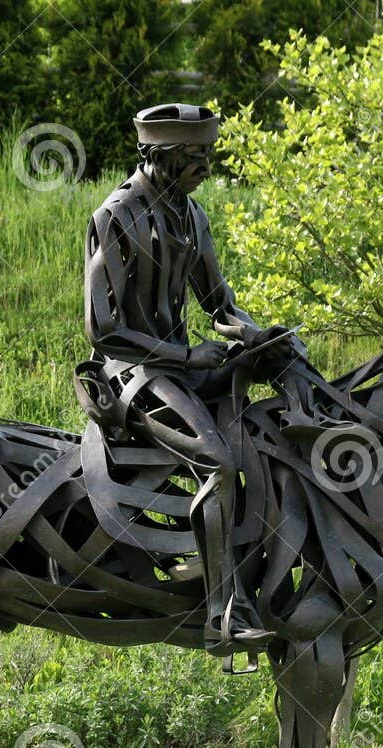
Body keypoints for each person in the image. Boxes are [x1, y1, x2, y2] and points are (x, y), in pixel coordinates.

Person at [79, 103, 311, 657]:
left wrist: (255, 336)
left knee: (270, 418)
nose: (203, 165)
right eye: (192, 156)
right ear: (158, 155)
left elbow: (219, 304)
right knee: (217, 461)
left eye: (207, 155)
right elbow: (101, 329)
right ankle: (220, 614)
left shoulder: (193, 216)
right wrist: (184, 355)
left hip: (183, 367)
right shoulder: (115, 217)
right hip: (132, 375)